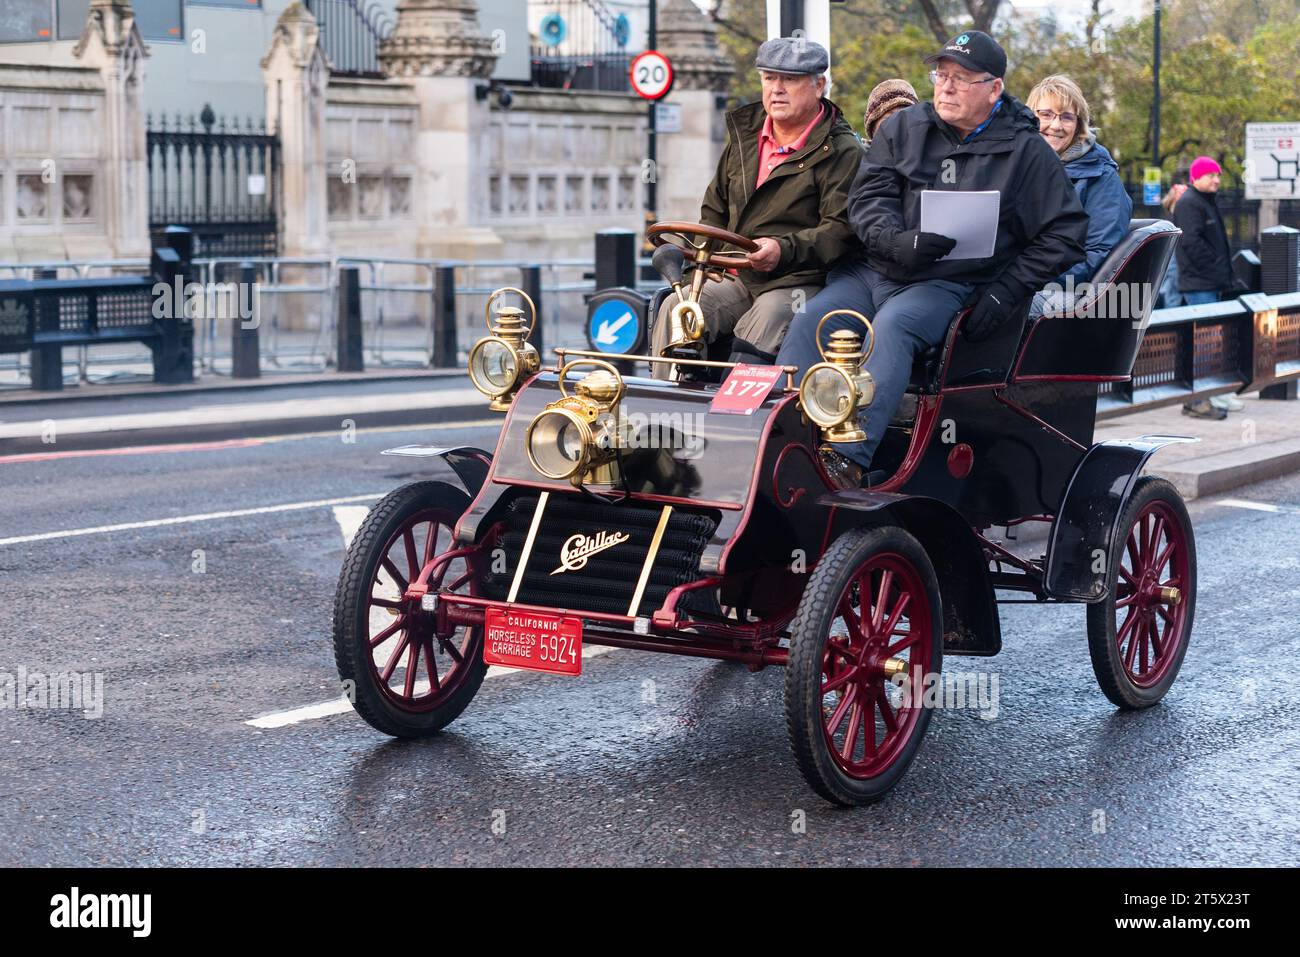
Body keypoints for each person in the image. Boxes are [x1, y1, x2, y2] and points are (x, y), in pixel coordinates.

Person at [774, 30, 1088, 486]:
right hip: (874, 269)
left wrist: (1007, 291)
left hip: (948, 282)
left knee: (892, 330)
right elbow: (868, 197)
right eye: (941, 75)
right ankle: (783, 444)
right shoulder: (904, 128)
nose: (946, 86)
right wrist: (894, 239)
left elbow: (1066, 232)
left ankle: (847, 461)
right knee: (811, 321)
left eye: (962, 78)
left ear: (993, 89)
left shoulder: (1027, 151)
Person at [648, 37, 863, 374]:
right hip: (732, 276)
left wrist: (783, 249)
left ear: (819, 85)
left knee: (768, 315)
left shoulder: (842, 150)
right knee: (680, 305)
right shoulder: (745, 139)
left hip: (797, 282)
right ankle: (662, 416)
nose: (776, 89)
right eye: (769, 78)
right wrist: (699, 275)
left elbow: (840, 231)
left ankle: (738, 421)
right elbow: (713, 212)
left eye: (789, 79)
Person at [1025, 75, 1131, 317]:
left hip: (1070, 291)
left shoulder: (1101, 177)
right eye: (1046, 114)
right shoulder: (1019, 166)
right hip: (1022, 280)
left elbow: (1100, 256)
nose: (1056, 125)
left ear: (1079, 124)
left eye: (1066, 117)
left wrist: (1026, 278)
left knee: (1004, 308)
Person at [1173, 155, 1243, 418]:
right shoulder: (1191, 203)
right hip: (1200, 283)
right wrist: (1217, 269)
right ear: (1196, 177)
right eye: (1211, 175)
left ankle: (1211, 395)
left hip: (1209, 282)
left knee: (1211, 342)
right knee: (1204, 342)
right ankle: (1198, 400)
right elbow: (1191, 244)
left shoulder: (1205, 202)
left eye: (1218, 175)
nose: (1216, 180)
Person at [863, 79, 919, 145]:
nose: (897, 125)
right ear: (873, 129)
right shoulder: (861, 154)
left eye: (904, 118)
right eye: (888, 120)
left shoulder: (929, 151)